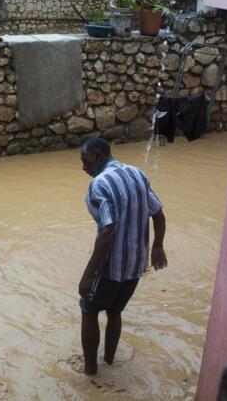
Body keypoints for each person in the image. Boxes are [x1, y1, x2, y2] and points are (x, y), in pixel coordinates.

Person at [78, 137, 167, 375]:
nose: (83, 167)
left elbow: (108, 230)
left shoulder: (99, 183)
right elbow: (158, 213)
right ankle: (108, 360)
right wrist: (157, 247)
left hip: (111, 266)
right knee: (115, 311)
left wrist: (88, 274)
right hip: (136, 265)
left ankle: (90, 374)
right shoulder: (137, 173)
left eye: (85, 160)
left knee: (89, 309)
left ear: (98, 156)